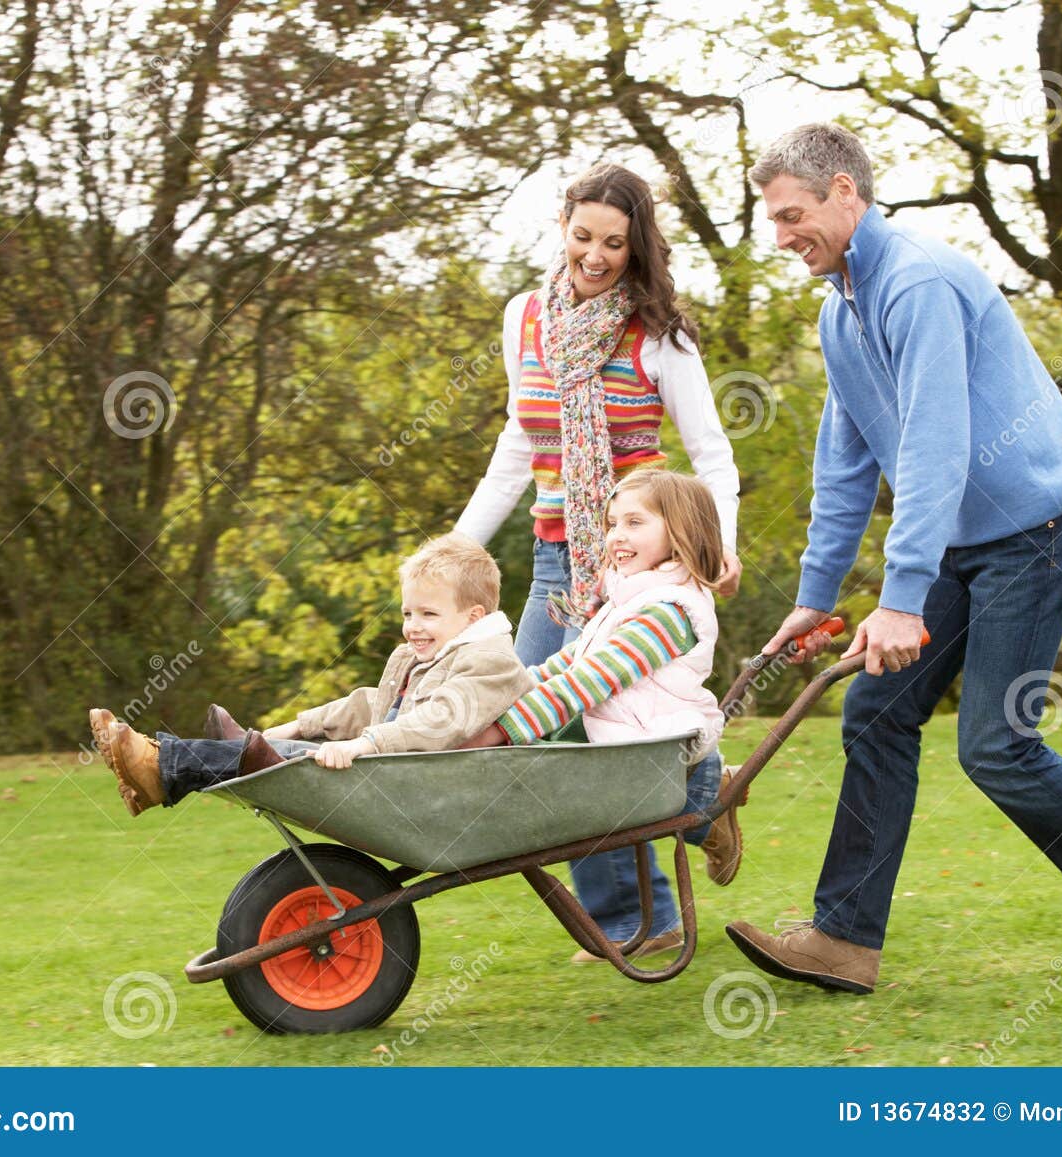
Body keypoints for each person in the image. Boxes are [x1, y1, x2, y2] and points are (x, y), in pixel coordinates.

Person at [725, 123, 1062, 994]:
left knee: (997, 745)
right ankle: (845, 938)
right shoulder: (842, 311)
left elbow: (938, 444)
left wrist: (901, 598)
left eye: (794, 216)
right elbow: (849, 459)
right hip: (966, 543)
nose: (784, 235)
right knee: (874, 713)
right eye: (775, 221)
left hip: (1038, 530)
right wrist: (815, 595)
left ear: (845, 195)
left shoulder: (919, 283)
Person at [454, 163, 745, 956]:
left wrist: (721, 544)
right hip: (557, 564)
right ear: (563, 226)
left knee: (599, 735)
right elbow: (520, 446)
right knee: (550, 737)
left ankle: (690, 823)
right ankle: (637, 910)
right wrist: (458, 549)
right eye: (584, 236)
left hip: (640, 569)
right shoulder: (525, 320)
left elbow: (713, 458)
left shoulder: (660, 337)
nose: (595, 255)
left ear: (636, 244)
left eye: (614, 243)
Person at [466, 469, 743, 958]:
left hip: (655, 758)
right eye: (612, 523)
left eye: (635, 522)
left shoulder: (668, 612)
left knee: (588, 789)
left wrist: (504, 731)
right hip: (626, 748)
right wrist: (503, 694)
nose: (616, 535)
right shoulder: (626, 596)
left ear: (680, 532)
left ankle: (710, 797)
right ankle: (710, 803)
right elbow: (567, 664)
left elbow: (588, 683)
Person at [88, 534, 535, 814]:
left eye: (429, 613)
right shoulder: (425, 655)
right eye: (407, 612)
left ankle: (165, 763)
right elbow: (370, 703)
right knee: (287, 751)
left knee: (290, 762)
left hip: (430, 791)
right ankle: (180, 766)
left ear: (475, 616)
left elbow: (443, 720)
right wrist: (303, 722)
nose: (413, 625)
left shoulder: (490, 663)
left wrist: (365, 743)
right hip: (396, 772)